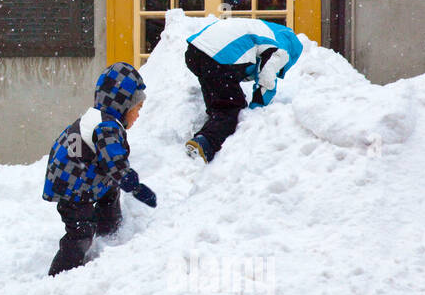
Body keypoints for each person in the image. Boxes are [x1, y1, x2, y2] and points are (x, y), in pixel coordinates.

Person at [43, 62, 158, 276]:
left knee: (109, 192)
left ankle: (109, 233)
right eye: (138, 109)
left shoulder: (100, 118)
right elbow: (115, 164)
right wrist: (136, 187)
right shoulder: (106, 127)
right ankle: (59, 275)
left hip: (81, 178)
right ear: (125, 105)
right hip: (71, 187)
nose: (139, 115)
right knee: (80, 232)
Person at [184, 18, 304, 163]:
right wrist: (257, 109)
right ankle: (206, 143)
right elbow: (266, 78)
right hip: (218, 58)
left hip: (195, 51)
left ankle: (212, 124)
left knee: (217, 96)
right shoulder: (282, 48)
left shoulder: (260, 29)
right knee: (232, 108)